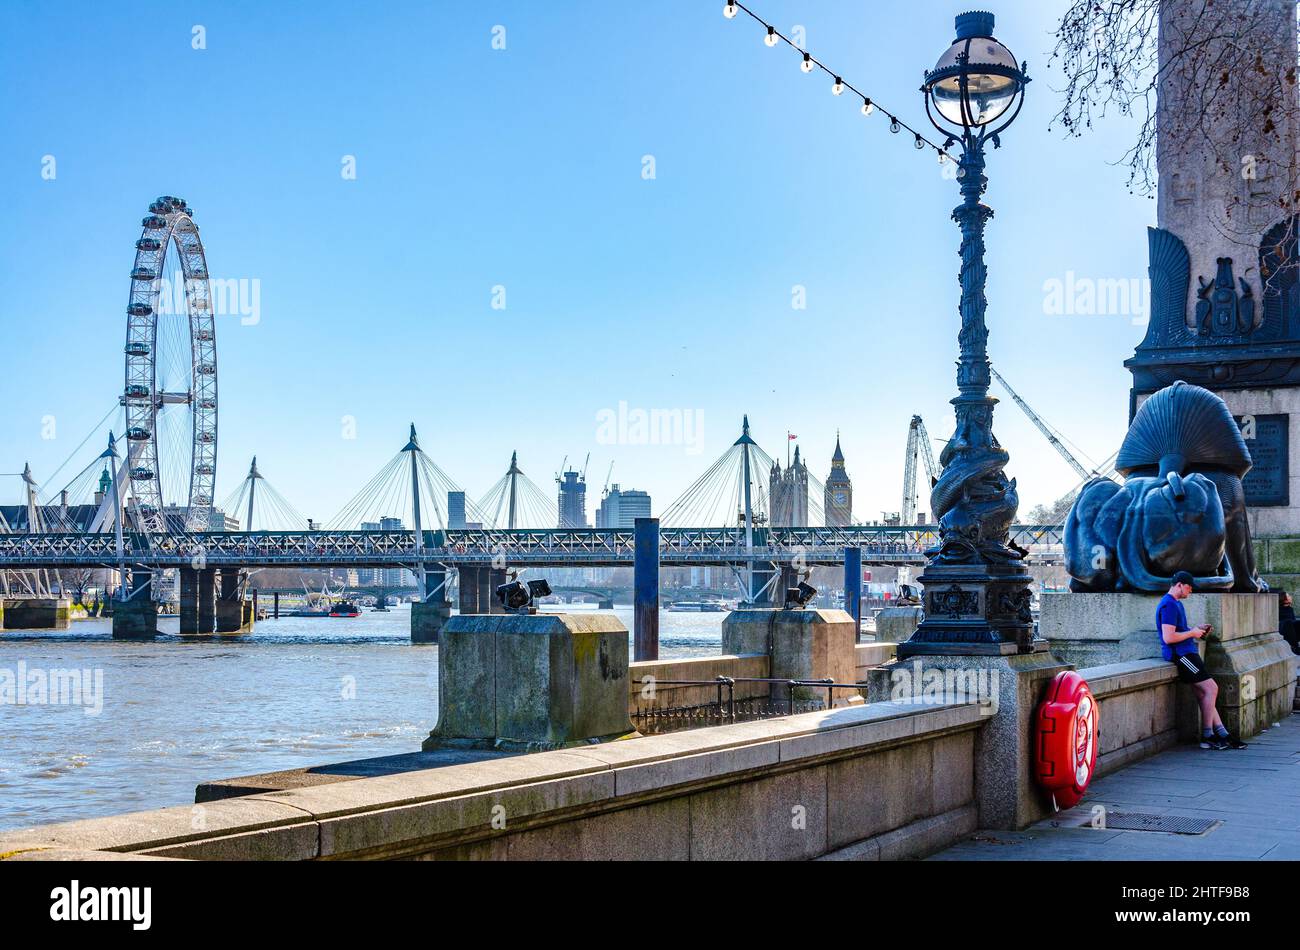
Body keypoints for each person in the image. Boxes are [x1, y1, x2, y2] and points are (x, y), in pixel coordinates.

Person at [1157, 571, 1247, 750]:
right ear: (1180, 585)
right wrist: (1192, 633)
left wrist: (1196, 629)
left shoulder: (1176, 604)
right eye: (1189, 587)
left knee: (1204, 694)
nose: (1190, 591)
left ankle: (1222, 734)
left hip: (1188, 653)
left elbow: (1178, 630)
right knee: (1211, 688)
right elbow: (1168, 637)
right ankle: (1208, 736)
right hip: (1182, 656)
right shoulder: (1169, 605)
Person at [1278, 590, 1298, 655]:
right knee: (1288, 622)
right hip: (1283, 629)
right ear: (1285, 600)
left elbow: (1294, 621)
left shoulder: (1290, 609)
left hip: (1292, 630)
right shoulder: (1278, 609)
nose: (1291, 597)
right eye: (1288, 596)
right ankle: (1295, 647)